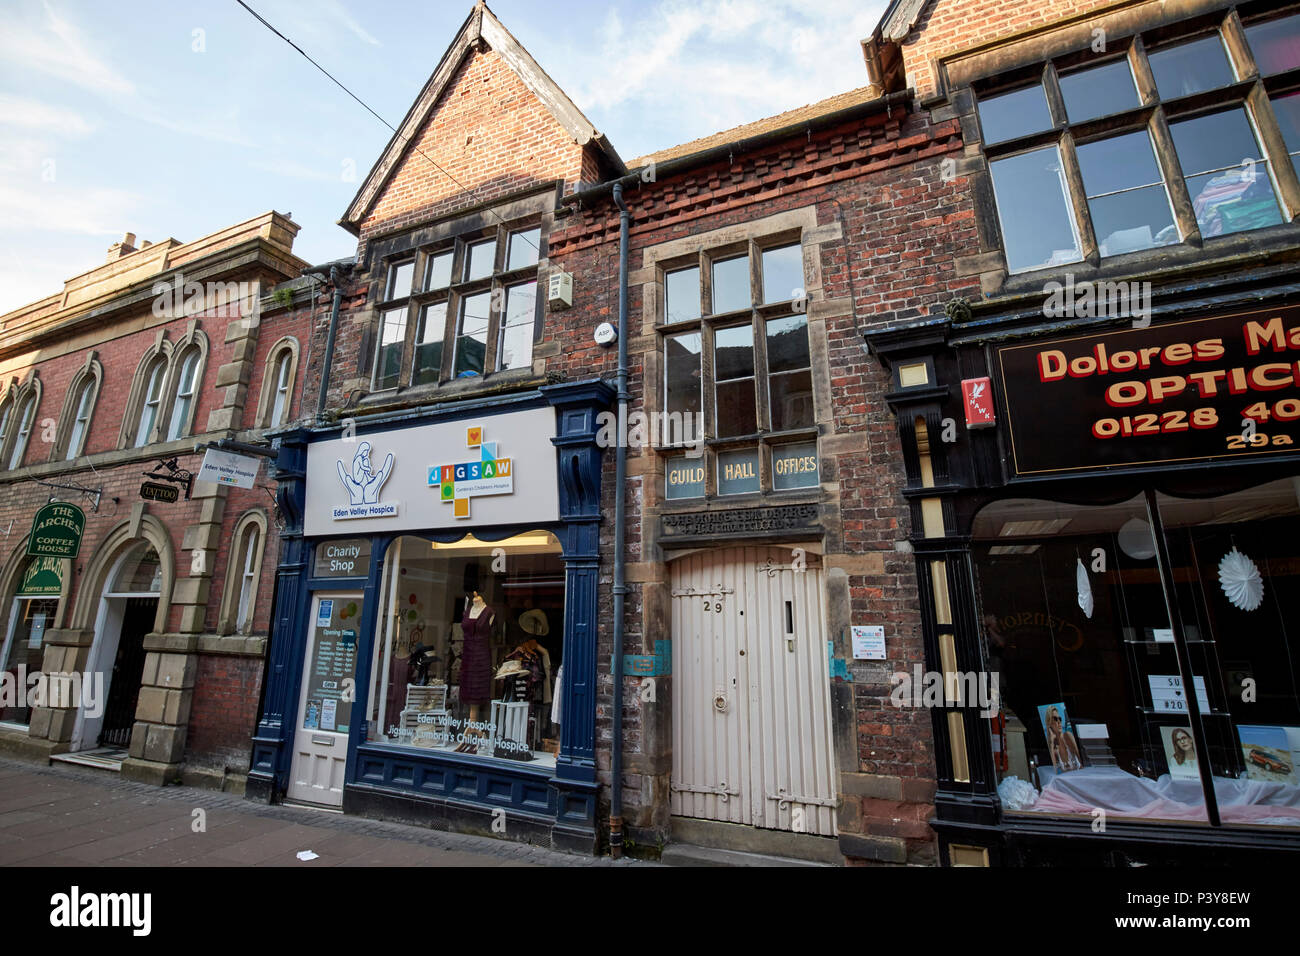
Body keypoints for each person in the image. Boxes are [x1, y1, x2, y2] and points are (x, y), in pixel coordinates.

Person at [1046, 705, 1082, 772]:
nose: (1059, 722)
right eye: (1055, 719)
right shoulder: (1054, 748)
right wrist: (1051, 742)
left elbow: (1082, 763)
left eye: (1059, 718)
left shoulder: (1068, 736)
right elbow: (1055, 771)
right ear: (1050, 724)